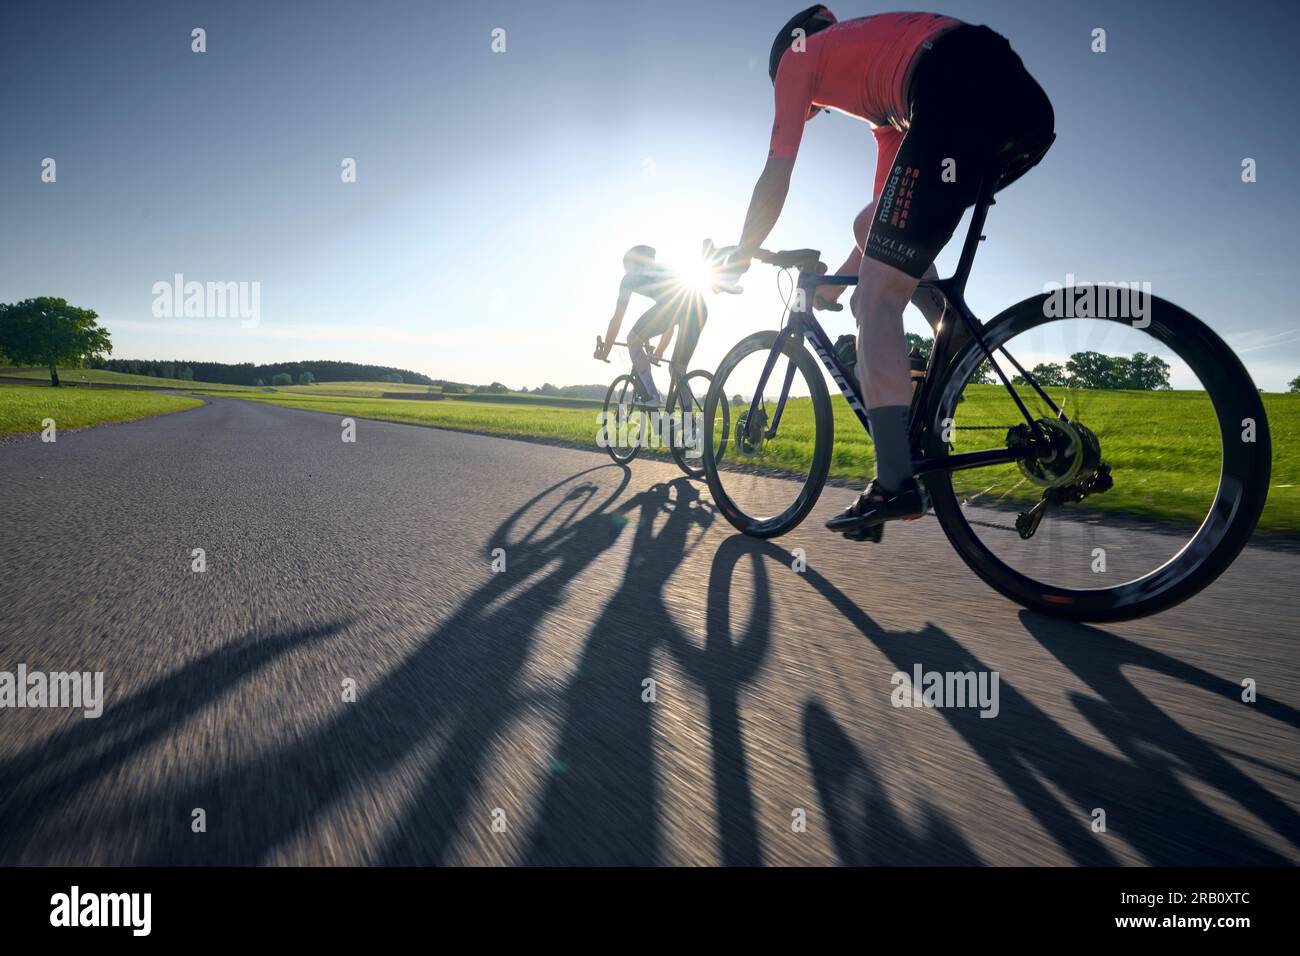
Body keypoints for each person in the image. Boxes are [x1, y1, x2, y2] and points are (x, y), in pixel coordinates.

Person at [719, 7, 1054, 539]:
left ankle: (894, 483)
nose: (810, 110)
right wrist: (833, 282)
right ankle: (955, 331)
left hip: (951, 84)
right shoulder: (886, 108)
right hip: (1019, 108)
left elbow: (778, 168)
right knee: (875, 236)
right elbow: (888, 218)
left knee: (873, 303)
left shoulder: (797, 57)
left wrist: (740, 252)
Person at [596, 245, 708, 405]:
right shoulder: (665, 271)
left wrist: (605, 351)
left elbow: (617, 318)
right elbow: (671, 321)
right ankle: (689, 422)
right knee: (678, 369)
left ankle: (652, 397)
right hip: (699, 309)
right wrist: (660, 351)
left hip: (673, 307)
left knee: (633, 340)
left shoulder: (628, 279)